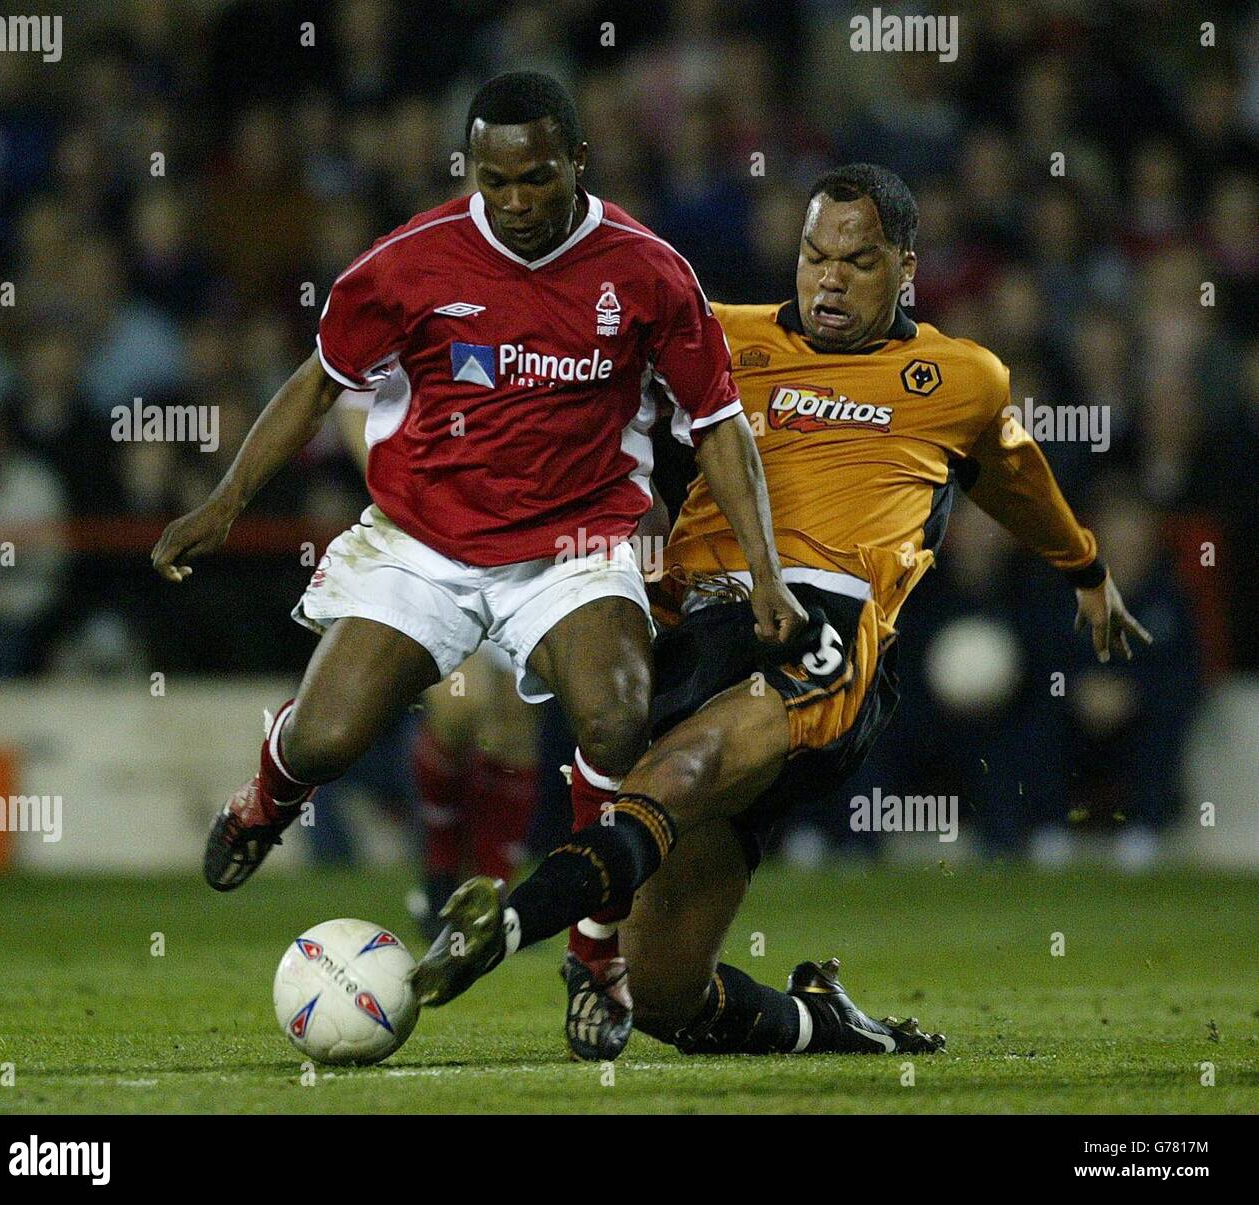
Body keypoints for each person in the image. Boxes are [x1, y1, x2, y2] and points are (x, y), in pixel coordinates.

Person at [411, 164, 1152, 1061]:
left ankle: (510, 929)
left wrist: (1084, 567)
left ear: (907, 270)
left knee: (680, 768)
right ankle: (821, 1021)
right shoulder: (721, 337)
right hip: (694, 628)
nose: (829, 279)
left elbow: (1019, 480)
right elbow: (571, 375)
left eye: (858, 261)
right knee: (668, 993)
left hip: (818, 634)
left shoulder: (962, 378)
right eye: (813, 256)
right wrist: (466, 369)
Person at [150, 73, 804, 916]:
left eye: (536, 178)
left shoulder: (648, 272)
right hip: (427, 539)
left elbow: (716, 422)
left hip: (574, 543)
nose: (516, 201)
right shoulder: (412, 261)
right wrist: (224, 501)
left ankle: (593, 950)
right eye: (494, 182)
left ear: (578, 161)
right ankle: (268, 798)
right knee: (327, 735)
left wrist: (767, 570)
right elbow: (320, 384)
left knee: (615, 717)